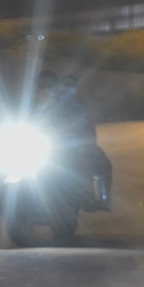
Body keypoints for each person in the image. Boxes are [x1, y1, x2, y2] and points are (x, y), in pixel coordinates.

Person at [33, 70, 112, 210]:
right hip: (32, 145)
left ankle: (97, 196)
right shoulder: (26, 104)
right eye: (41, 85)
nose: (44, 89)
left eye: (49, 85)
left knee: (100, 162)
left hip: (63, 146)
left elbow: (78, 117)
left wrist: (68, 127)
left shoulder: (65, 103)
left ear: (55, 88)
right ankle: (3, 195)